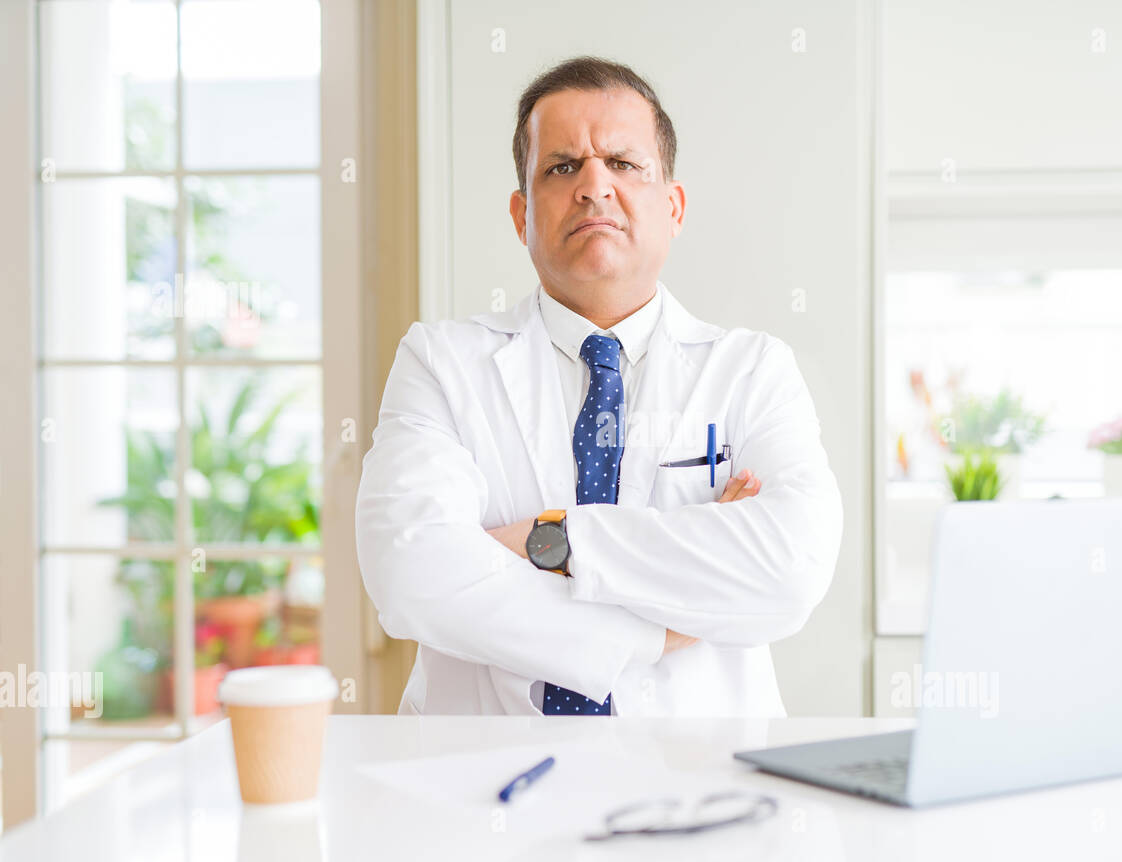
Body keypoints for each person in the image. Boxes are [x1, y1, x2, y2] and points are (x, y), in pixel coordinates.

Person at [355, 56, 843, 717]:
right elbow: (411, 573)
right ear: (521, 215)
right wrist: (657, 628)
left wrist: (546, 539)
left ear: (672, 206)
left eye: (623, 163)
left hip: (700, 786)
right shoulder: (440, 362)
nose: (594, 186)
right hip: (479, 784)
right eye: (562, 167)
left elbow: (791, 568)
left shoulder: (752, 370)